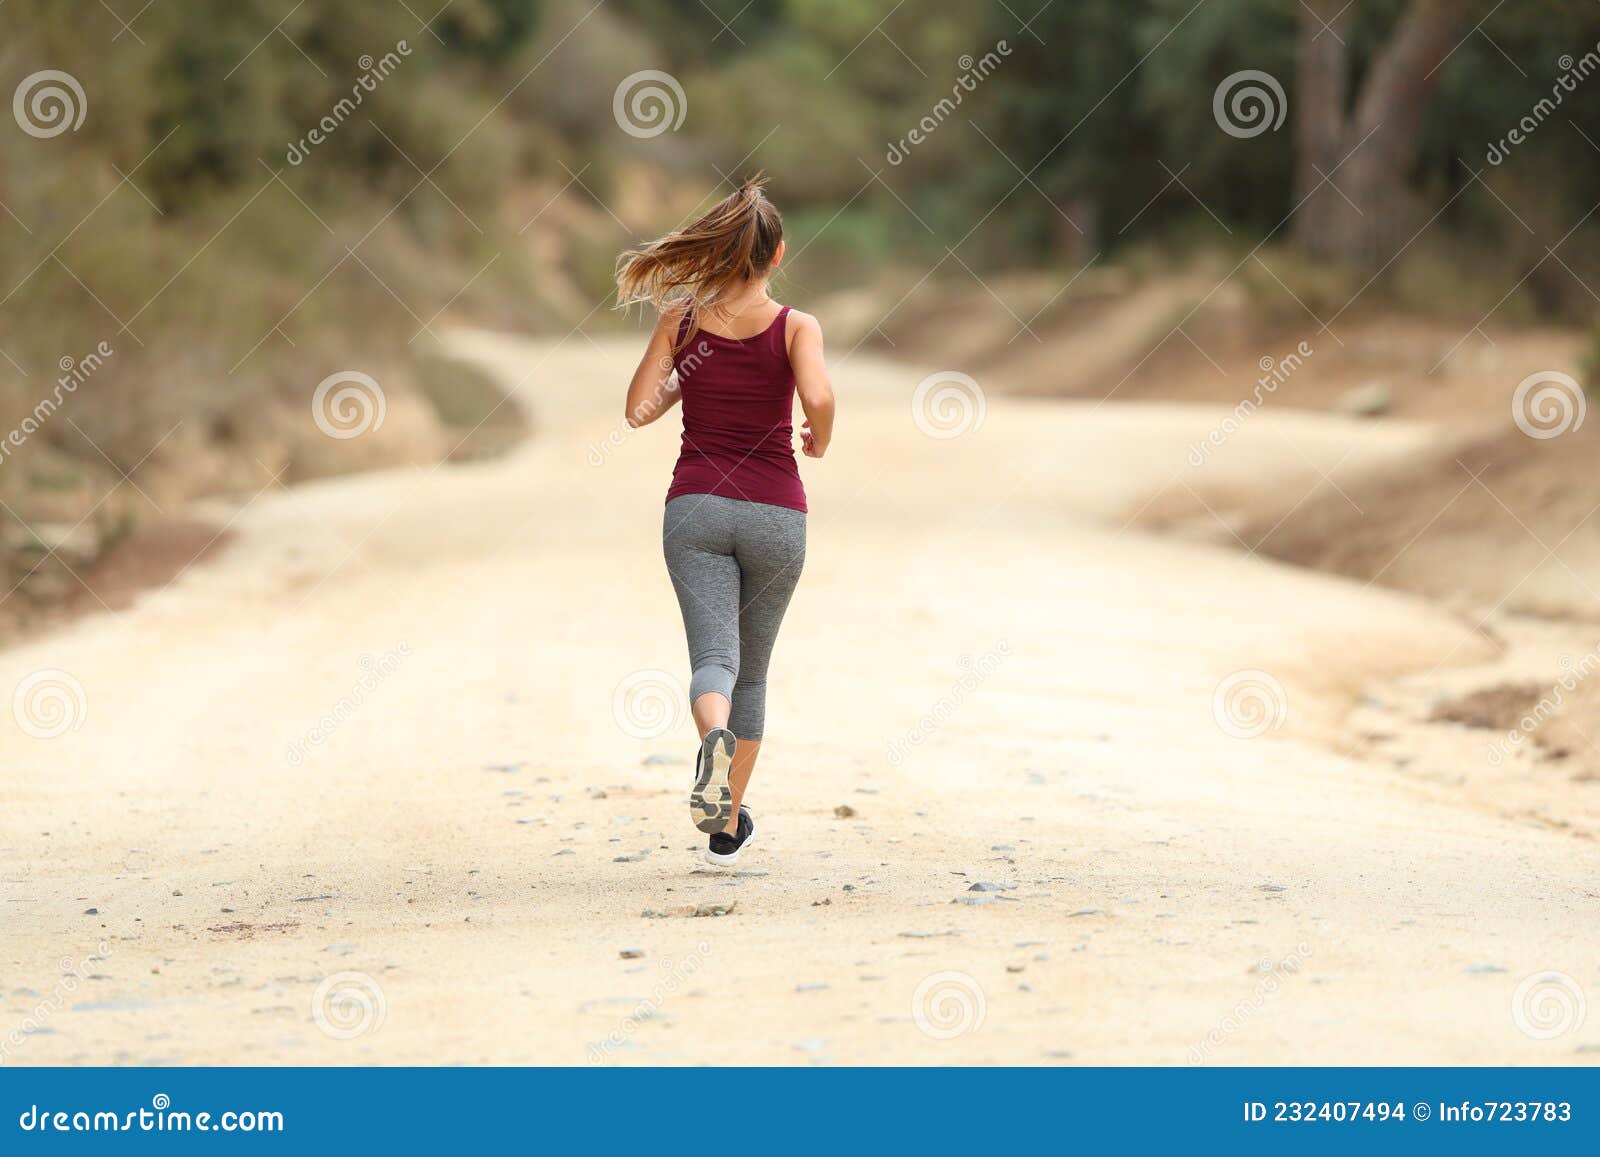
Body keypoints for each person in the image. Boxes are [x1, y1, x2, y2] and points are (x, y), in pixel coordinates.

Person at [616, 175, 835, 866]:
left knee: (714, 660)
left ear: (714, 252)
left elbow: (637, 410)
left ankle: (711, 738)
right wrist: (820, 436)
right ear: (777, 255)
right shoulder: (796, 326)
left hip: (697, 508)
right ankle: (725, 824)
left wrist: (684, 373)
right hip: (776, 512)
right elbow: (819, 396)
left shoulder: (681, 321)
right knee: (754, 676)